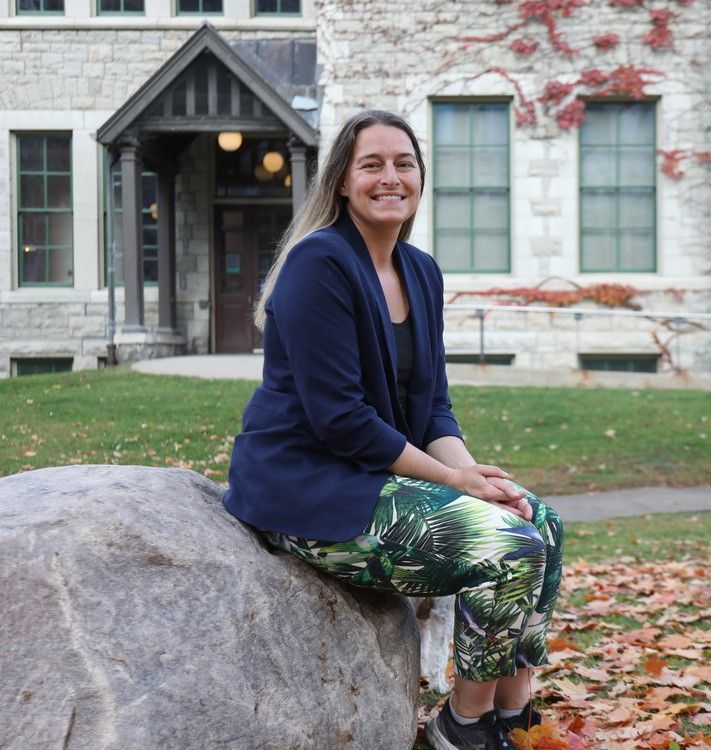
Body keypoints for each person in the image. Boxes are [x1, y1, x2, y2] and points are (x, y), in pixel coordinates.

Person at [223, 109, 564, 750]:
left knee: (538, 521)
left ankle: (514, 718)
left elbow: (433, 407)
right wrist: (453, 483)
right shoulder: (319, 264)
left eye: (404, 164)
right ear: (342, 182)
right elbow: (343, 422)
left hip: (374, 476)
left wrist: (476, 478)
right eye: (372, 164)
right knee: (507, 547)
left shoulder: (421, 271)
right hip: (308, 489)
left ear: (420, 178)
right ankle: (460, 728)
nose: (390, 177)